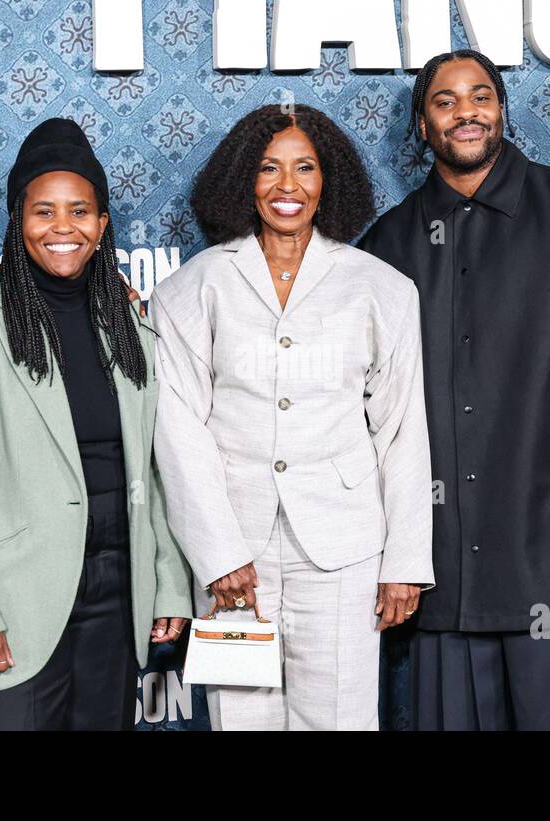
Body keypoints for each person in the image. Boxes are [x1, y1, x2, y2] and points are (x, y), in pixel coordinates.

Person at [358, 50, 550, 730]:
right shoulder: (390, 244)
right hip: (441, 559)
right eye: (445, 100)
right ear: (421, 125)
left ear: (501, 110)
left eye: (480, 96)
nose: (465, 111)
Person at [150, 104, 433, 730]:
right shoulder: (192, 289)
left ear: (328, 179)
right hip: (233, 549)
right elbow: (177, 431)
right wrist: (218, 553)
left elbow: (402, 429)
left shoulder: (380, 288)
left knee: (340, 718)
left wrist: (406, 563)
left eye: (304, 168)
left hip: (344, 547)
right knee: (241, 720)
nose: (287, 186)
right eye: (268, 168)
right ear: (241, 182)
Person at [0, 118, 192, 731]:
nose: (62, 228)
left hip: (118, 596)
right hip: (14, 600)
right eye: (44, 212)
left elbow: (155, 464)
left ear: (101, 225)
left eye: (80, 211)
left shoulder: (131, 326)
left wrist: (168, 583)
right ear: (18, 222)